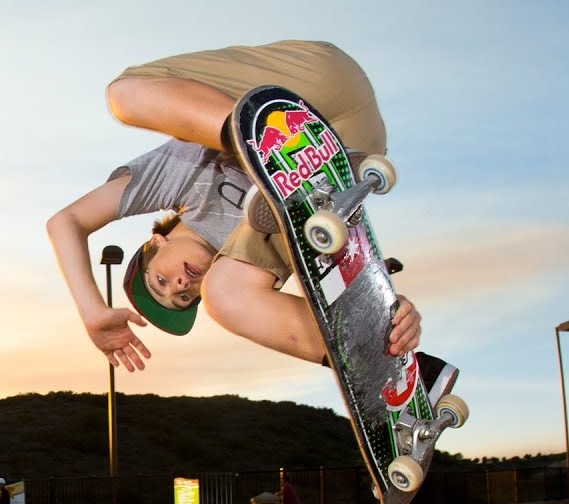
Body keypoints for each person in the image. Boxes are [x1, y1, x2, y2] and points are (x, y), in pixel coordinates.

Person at [46, 40, 427, 374]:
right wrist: (388, 312)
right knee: (226, 297)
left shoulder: (172, 178)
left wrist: (93, 311)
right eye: (182, 296)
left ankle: (267, 138)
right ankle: (381, 354)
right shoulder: (248, 262)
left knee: (123, 94)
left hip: (309, 85)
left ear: (155, 245)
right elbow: (339, 274)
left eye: (160, 281)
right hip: (354, 143)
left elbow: (67, 221)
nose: (180, 285)